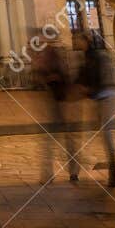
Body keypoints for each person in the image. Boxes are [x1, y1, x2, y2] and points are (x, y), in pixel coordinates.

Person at [32, 30, 78, 182]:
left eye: (42, 39)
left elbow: (66, 77)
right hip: (54, 102)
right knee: (54, 139)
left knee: (64, 138)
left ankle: (72, 170)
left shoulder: (56, 55)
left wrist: (50, 76)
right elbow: (39, 79)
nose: (40, 42)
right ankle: (49, 173)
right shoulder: (44, 56)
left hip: (62, 101)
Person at [80, 31, 115, 189]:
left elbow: (102, 79)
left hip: (106, 97)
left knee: (106, 133)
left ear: (88, 41)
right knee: (94, 131)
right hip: (98, 98)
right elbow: (83, 77)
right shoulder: (88, 57)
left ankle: (113, 169)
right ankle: (89, 164)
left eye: (80, 41)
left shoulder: (99, 57)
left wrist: (87, 90)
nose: (77, 43)